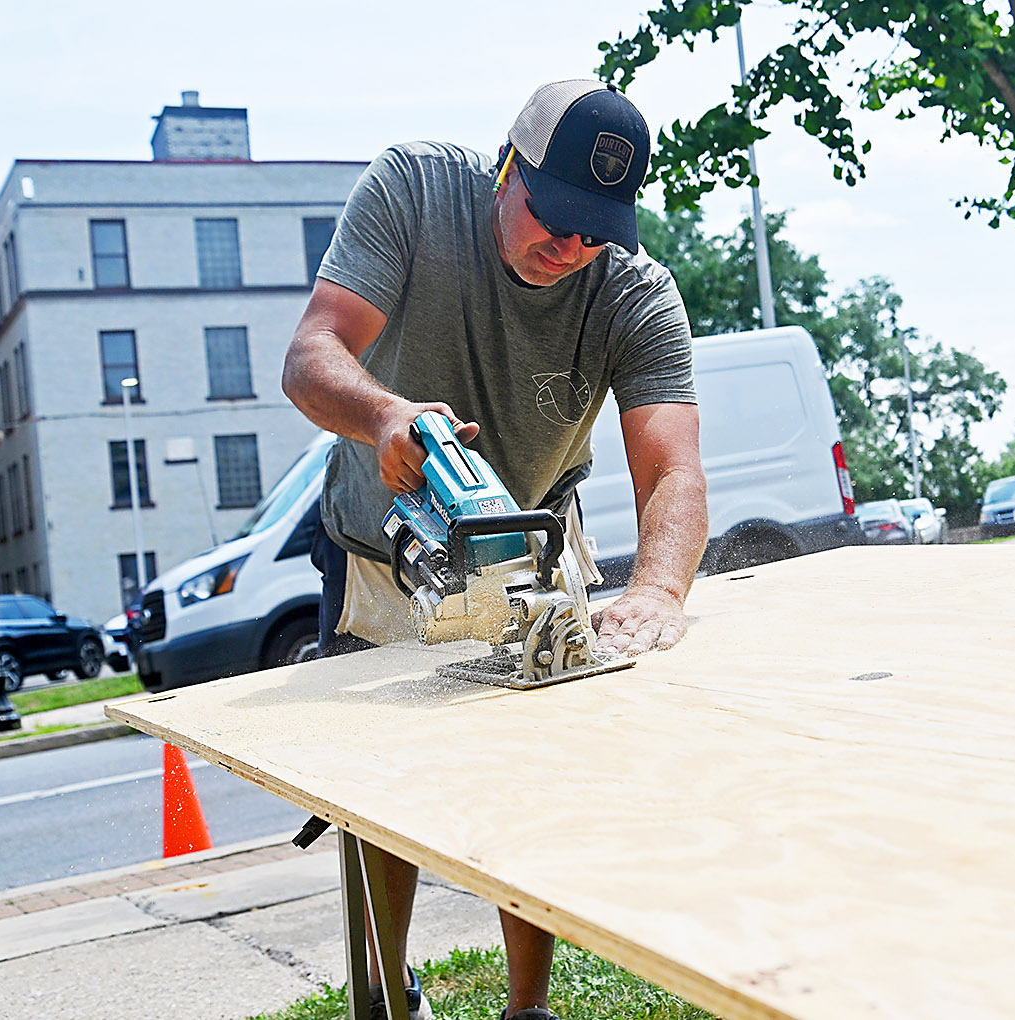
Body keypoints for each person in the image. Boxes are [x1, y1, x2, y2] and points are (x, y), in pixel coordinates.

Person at [281, 80, 709, 1020]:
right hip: (382, 545)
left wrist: (657, 588)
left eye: (595, 231)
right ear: (508, 165)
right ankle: (388, 991)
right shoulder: (414, 191)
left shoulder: (634, 292)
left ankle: (527, 1007)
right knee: (380, 781)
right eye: (554, 218)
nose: (571, 247)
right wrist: (384, 416)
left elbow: (671, 470)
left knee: (529, 772)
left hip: (534, 537)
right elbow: (312, 354)